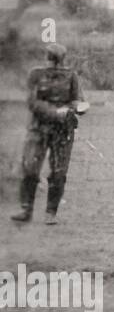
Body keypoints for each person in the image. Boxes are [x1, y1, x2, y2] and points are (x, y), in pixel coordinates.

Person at [12, 43, 84, 225]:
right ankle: (26, 209)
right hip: (38, 129)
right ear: (48, 59)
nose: (56, 66)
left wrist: (79, 107)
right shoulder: (36, 75)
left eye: (58, 62)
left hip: (62, 131)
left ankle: (51, 212)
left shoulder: (71, 76)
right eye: (54, 62)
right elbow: (32, 102)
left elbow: (77, 98)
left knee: (59, 172)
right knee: (30, 169)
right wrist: (55, 112)